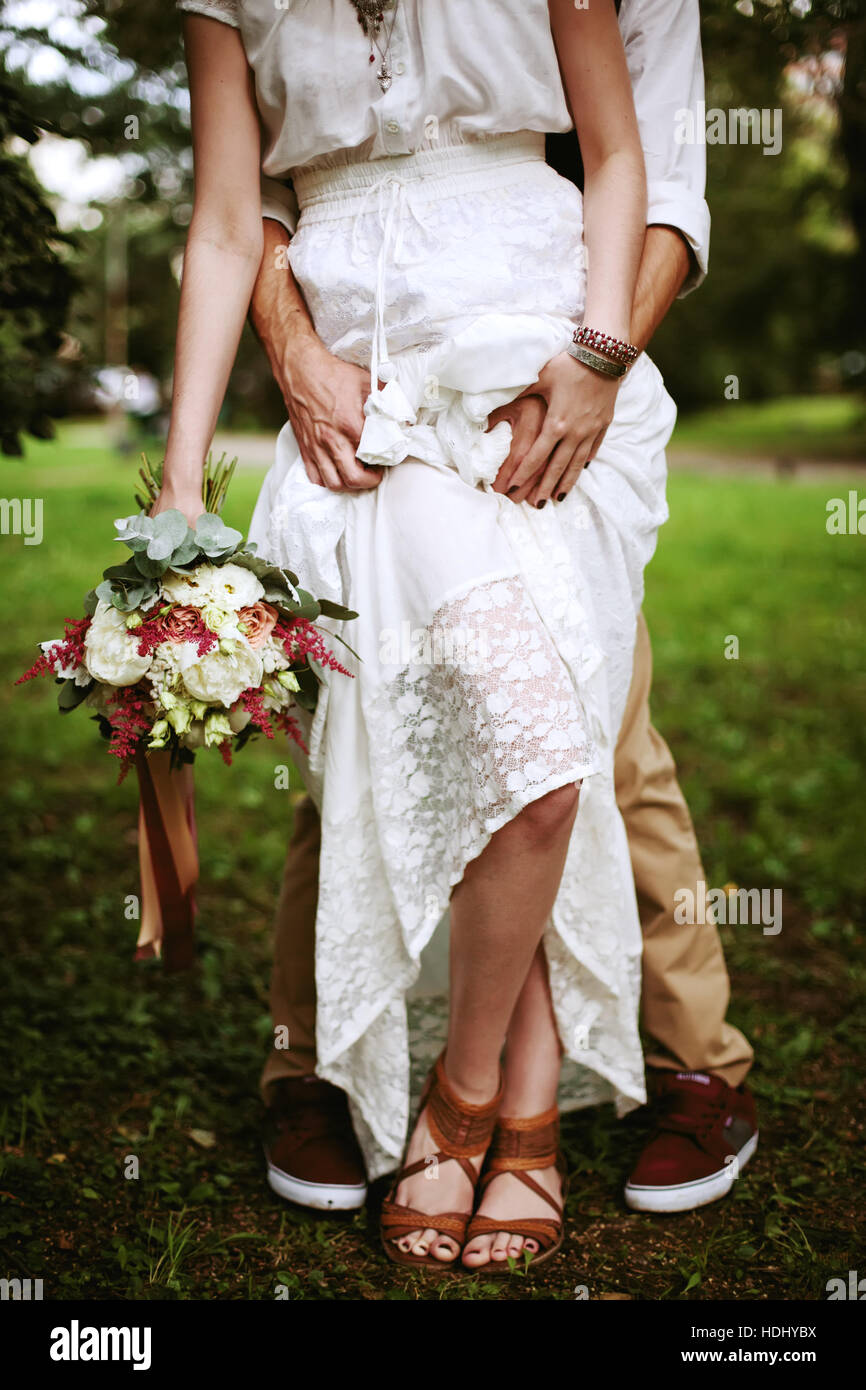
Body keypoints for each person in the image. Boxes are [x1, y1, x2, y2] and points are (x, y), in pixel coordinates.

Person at [160, 0, 747, 1272]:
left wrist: (594, 359)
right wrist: (189, 470)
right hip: (373, 397)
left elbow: (648, 175)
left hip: (538, 356)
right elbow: (230, 214)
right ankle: (353, 1067)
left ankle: (644, 1070)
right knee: (409, 730)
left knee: (580, 740)